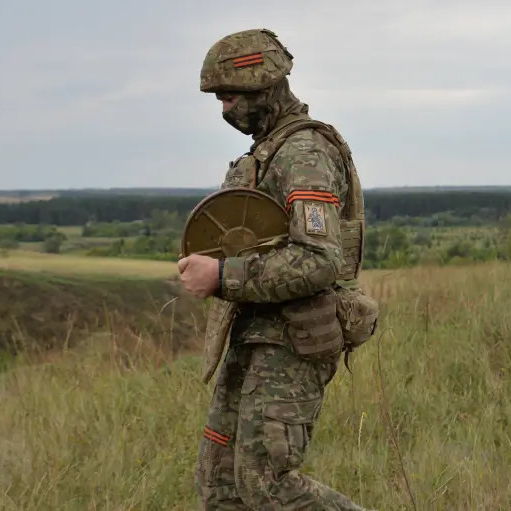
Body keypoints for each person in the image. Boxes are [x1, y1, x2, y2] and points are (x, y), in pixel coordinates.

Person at [178, 28, 375, 510]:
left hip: (291, 342)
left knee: (267, 486)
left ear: (264, 86)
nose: (225, 110)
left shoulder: (304, 153)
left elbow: (318, 261)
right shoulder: (266, 151)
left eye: (230, 96)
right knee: (221, 484)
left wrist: (223, 277)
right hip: (253, 336)